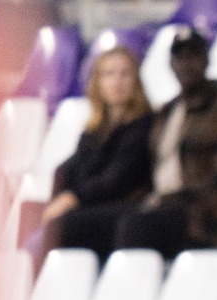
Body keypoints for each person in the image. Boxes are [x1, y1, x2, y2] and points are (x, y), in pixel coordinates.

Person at [115, 29, 217, 258]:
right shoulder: (167, 111)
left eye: (193, 55)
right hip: (165, 210)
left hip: (215, 220)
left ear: (206, 60)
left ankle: (137, 292)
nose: (185, 64)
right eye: (179, 57)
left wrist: (174, 200)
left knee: (136, 228)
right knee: (86, 225)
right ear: (170, 63)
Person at [45, 44, 154, 260]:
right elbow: (74, 170)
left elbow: (118, 178)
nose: (117, 82)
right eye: (109, 74)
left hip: (125, 206)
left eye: (125, 74)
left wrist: (72, 198)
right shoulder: (93, 130)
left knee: (60, 226)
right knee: (33, 213)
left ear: (136, 80)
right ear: (98, 82)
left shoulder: (144, 125)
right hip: (92, 205)